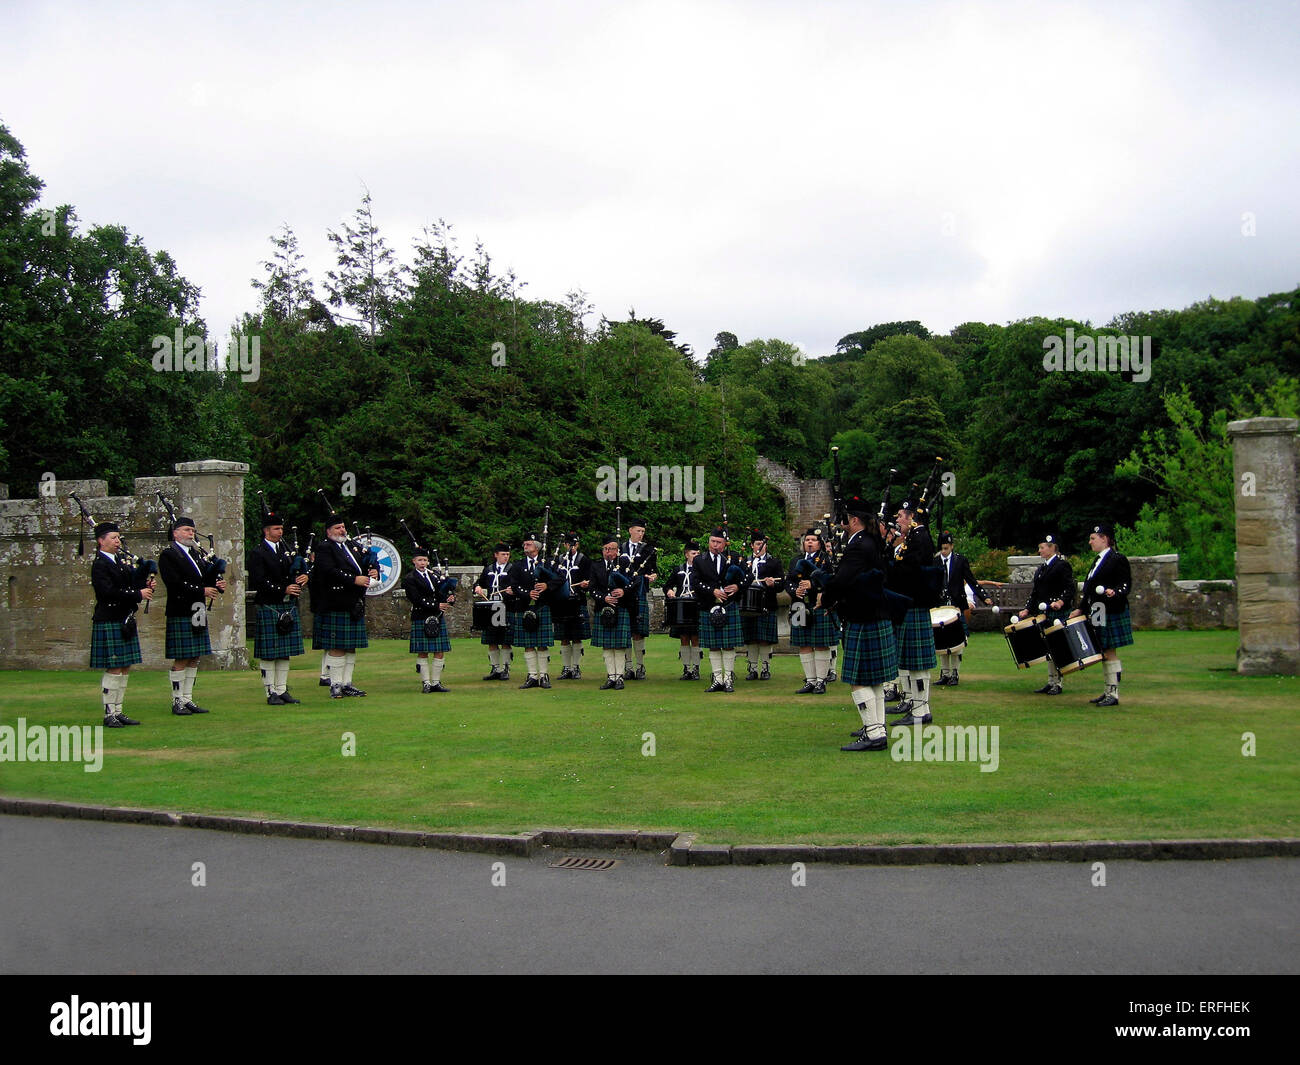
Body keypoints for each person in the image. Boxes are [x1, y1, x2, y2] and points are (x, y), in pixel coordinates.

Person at [821, 497, 898, 752]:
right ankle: (877, 728)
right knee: (874, 679)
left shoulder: (859, 545)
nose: (843, 525)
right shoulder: (873, 542)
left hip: (863, 617)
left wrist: (824, 595)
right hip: (876, 614)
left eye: (846, 520)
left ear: (855, 520)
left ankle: (874, 734)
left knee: (859, 679)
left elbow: (842, 579)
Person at [159, 514, 224, 716]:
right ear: (176, 533)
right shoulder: (169, 555)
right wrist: (202, 591)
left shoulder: (195, 555)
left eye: (193, 531)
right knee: (182, 657)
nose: (191, 534)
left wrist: (215, 585)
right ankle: (177, 701)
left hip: (197, 609)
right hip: (180, 611)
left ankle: (187, 699)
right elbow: (175, 584)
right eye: (187, 530)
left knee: (194, 657)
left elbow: (204, 578)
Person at [89, 521, 153, 727]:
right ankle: (109, 714)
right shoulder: (100, 564)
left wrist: (144, 584)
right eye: (113, 538)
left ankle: (118, 710)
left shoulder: (119, 561)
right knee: (114, 667)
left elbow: (130, 584)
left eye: (118, 538)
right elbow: (107, 592)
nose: (118, 541)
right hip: (109, 618)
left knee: (125, 667)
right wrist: (137, 594)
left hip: (124, 618)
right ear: (101, 541)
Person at [312, 513, 377, 698]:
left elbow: (366, 563)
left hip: (353, 603)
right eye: (337, 528)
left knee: (350, 646)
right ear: (328, 531)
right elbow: (328, 571)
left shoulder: (352, 546)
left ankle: (347, 683)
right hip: (335, 602)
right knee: (337, 646)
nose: (342, 530)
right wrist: (354, 579)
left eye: (342, 527)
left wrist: (373, 570)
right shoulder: (325, 548)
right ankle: (335, 685)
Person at [886, 498, 938, 725]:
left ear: (911, 517)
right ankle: (918, 708)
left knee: (917, 662)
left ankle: (920, 711)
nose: (897, 520)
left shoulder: (920, 537)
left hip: (914, 604)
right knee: (912, 661)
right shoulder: (915, 538)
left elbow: (909, 570)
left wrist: (890, 567)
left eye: (900, 516)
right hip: (911, 604)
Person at [249, 509, 307, 705]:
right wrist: (283, 588)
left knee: (284, 652)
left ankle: (282, 690)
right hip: (270, 604)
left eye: (282, 528)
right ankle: (270, 692)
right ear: (267, 531)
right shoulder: (258, 552)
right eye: (276, 528)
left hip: (287, 606)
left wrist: (303, 577)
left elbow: (295, 572)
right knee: (269, 652)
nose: (280, 532)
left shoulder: (287, 551)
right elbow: (257, 581)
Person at [1071, 522, 1132, 707]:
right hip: (1098, 609)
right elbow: (1089, 589)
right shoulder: (1098, 560)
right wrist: (1080, 608)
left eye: (1093, 538)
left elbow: (1125, 584)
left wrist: (1115, 592)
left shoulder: (1117, 558)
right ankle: (1107, 690)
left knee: (1109, 650)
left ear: (1104, 539)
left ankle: (1113, 694)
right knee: (1102, 650)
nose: (1090, 542)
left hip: (1111, 609)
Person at [1017, 532, 1075, 696]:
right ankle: (1051, 681)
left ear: (1052, 547)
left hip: (1058, 612)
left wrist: (1060, 602)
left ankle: (1058, 683)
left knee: (1057, 647)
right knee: (1048, 648)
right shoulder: (1042, 568)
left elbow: (1070, 588)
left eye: (1042, 547)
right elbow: (1036, 592)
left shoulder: (1062, 565)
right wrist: (1027, 609)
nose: (1039, 550)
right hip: (1044, 613)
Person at [691, 528, 746, 692]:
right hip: (708, 605)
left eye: (718, 542)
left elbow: (748, 576)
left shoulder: (734, 557)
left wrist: (737, 586)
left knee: (728, 644)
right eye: (712, 542)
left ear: (724, 544)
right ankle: (717, 679)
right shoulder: (699, 560)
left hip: (728, 605)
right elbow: (695, 581)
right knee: (713, 645)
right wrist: (712, 591)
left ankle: (728, 678)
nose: (715, 545)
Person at [935, 530, 991, 687]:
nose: (944, 551)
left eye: (946, 548)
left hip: (957, 605)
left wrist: (984, 596)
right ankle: (944, 673)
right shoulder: (935, 561)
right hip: (941, 607)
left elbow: (971, 580)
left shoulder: (960, 561)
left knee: (957, 641)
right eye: (942, 548)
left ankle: (955, 673)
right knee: (942, 641)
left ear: (952, 546)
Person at [787, 528, 838, 694]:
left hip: (818, 605)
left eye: (813, 540)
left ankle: (821, 681)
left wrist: (813, 585)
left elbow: (831, 581)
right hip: (798, 605)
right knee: (803, 644)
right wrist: (794, 590)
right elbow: (788, 581)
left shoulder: (825, 560)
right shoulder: (796, 560)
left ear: (819, 543)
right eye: (807, 539)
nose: (809, 542)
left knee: (821, 644)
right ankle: (810, 680)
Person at [403, 544, 454, 693]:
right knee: (423, 651)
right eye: (420, 560)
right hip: (421, 616)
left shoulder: (433, 576)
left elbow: (440, 593)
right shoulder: (410, 578)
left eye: (425, 560)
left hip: (436, 618)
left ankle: (436, 682)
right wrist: (436, 605)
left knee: (439, 650)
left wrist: (449, 598)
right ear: (414, 561)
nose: (423, 563)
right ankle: (426, 683)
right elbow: (416, 599)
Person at [588, 533, 634, 690]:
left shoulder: (625, 564)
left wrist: (623, 591)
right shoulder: (596, 566)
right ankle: (611, 677)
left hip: (620, 608)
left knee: (619, 645)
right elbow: (592, 588)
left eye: (611, 549)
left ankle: (619, 677)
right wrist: (603, 598)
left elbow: (634, 583)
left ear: (617, 551)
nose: (608, 552)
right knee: (607, 645)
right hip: (603, 608)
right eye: (605, 549)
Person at [508, 532, 554, 689]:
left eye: (528, 544)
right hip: (524, 606)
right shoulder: (517, 565)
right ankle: (533, 676)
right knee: (528, 643)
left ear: (537, 547)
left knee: (541, 643)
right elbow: (513, 585)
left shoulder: (547, 563)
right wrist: (527, 593)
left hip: (542, 606)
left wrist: (547, 586)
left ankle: (543, 675)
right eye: (524, 544)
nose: (525, 546)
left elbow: (559, 579)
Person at [741, 531, 783, 680]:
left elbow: (781, 585)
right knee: (751, 638)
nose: (761, 547)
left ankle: (765, 668)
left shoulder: (774, 562)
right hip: (748, 605)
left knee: (765, 639)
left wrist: (773, 584)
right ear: (752, 545)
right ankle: (752, 669)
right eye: (758, 544)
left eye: (763, 544)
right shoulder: (744, 562)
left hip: (767, 604)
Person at [621, 519, 658, 679]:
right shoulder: (620, 547)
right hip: (623, 594)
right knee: (625, 631)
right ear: (630, 530)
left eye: (643, 531)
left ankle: (640, 666)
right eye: (638, 531)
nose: (641, 534)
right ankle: (627, 667)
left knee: (638, 632)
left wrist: (654, 576)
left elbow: (654, 570)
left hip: (640, 592)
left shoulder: (649, 549)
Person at [472, 543, 514, 680]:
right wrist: (477, 587)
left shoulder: (512, 569)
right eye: (503, 554)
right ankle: (495, 668)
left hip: (506, 606)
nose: (506, 557)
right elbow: (479, 583)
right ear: (496, 555)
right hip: (490, 608)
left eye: (507, 554)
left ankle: (506, 668)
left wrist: (512, 591)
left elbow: (518, 586)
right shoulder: (489, 569)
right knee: (492, 640)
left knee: (505, 640)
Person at [555, 532, 591, 680]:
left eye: (575, 545)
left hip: (578, 601)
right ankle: (566, 668)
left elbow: (590, 580)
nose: (572, 547)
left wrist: (584, 585)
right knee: (564, 637)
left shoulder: (584, 560)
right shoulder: (559, 560)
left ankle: (576, 667)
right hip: (562, 602)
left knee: (576, 636)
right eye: (570, 545)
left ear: (578, 545)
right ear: (565, 545)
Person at [665, 540, 703, 679]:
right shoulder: (678, 569)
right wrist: (669, 591)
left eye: (698, 553)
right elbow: (667, 585)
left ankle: (696, 669)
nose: (696, 555)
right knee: (684, 638)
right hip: (681, 606)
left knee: (695, 638)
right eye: (694, 553)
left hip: (695, 606)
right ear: (687, 554)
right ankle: (687, 669)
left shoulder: (702, 569)